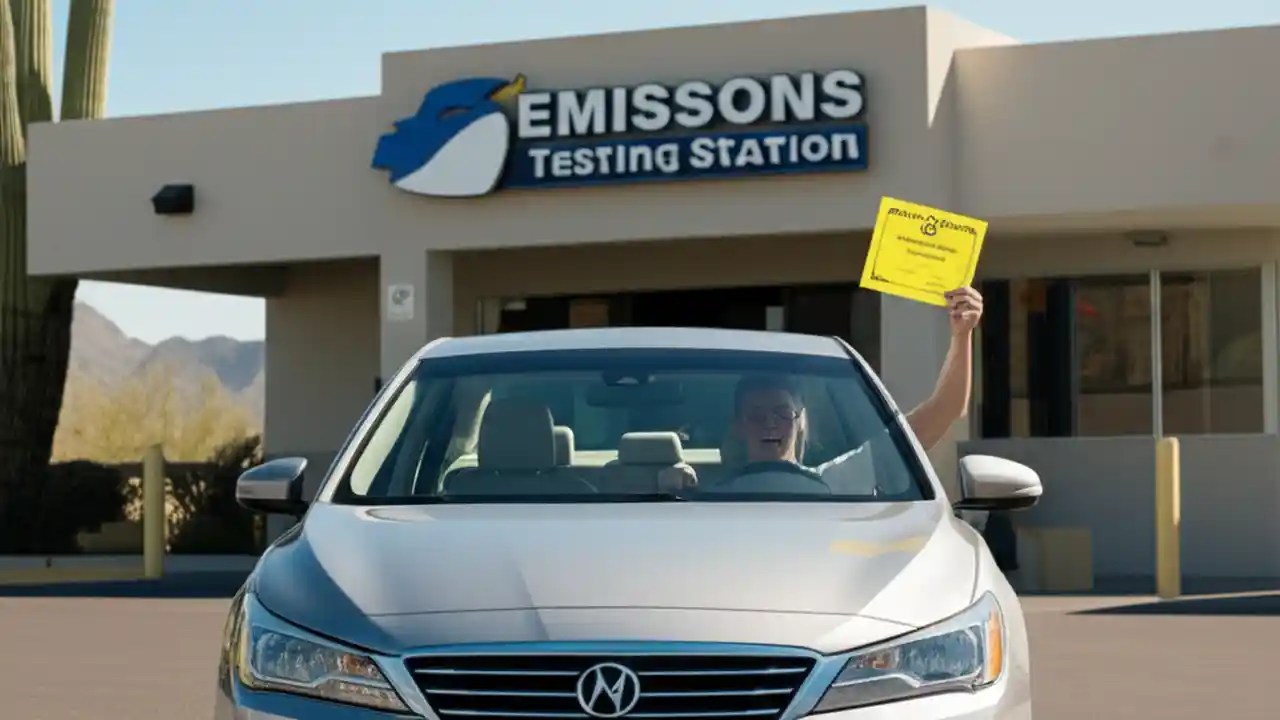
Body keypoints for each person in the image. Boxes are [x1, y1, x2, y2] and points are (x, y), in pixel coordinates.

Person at [661, 286, 984, 494]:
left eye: (782, 413)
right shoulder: (707, 499)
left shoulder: (840, 480)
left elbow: (946, 408)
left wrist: (961, 335)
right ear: (738, 425)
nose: (770, 423)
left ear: (801, 421)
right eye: (756, 415)